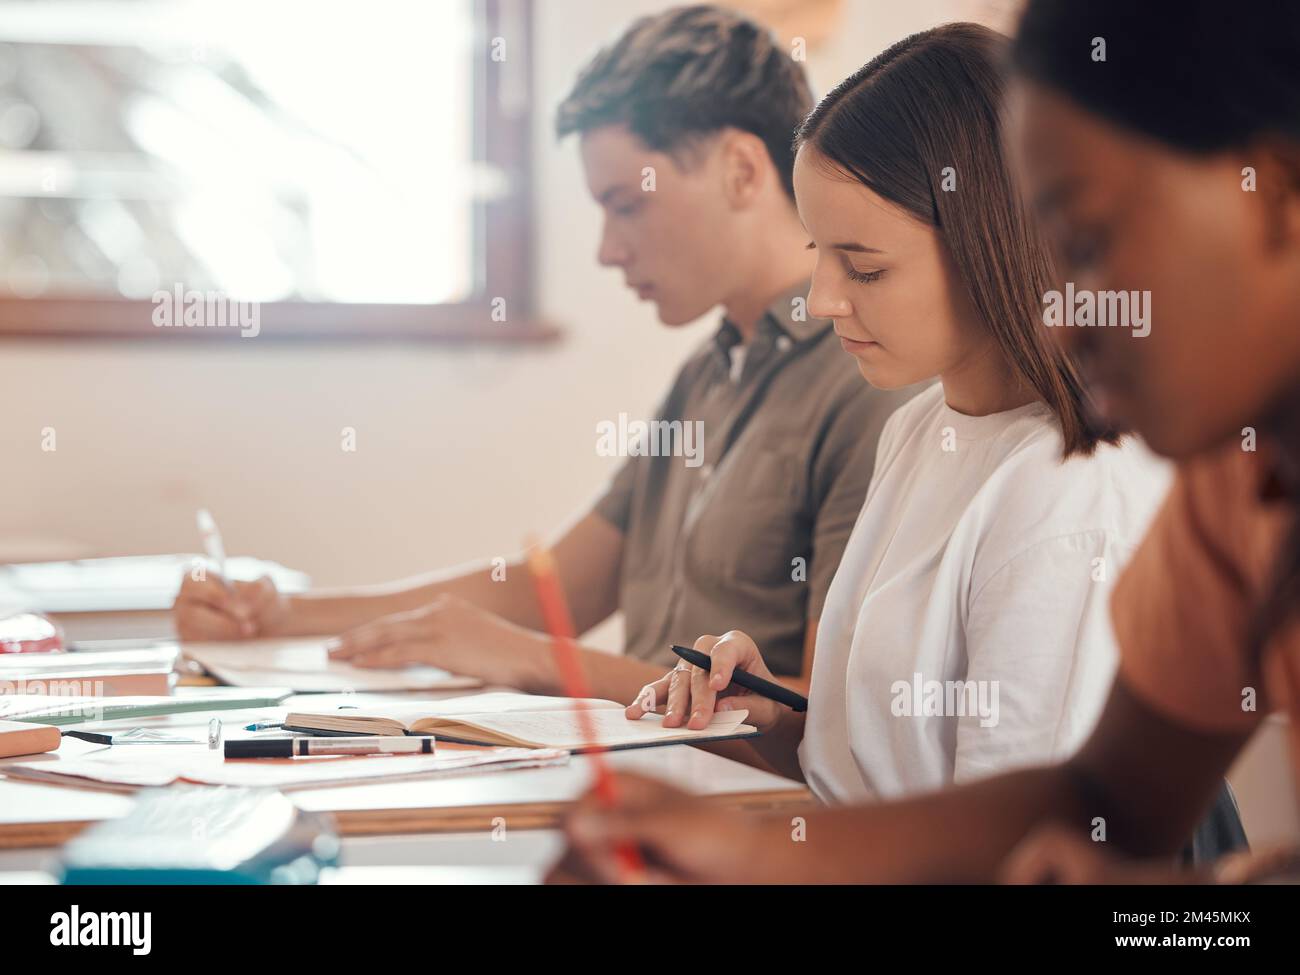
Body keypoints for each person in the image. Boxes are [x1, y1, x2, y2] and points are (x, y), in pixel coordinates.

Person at [550, 0, 1299, 885]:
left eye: (1090, 244)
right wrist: (749, 845)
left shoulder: (1074, 487)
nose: (1061, 312)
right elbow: (1101, 796)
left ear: (1276, 190)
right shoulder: (1230, 485)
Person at [171, 5, 918, 703]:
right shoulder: (712, 369)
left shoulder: (866, 382)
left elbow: (827, 717)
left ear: (742, 171)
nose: (607, 249)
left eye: (627, 203)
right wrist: (280, 615)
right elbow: (558, 590)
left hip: (738, 813)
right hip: (649, 777)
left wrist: (535, 660)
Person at [625, 22, 1171, 807]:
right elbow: (865, 777)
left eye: (866, 267)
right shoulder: (918, 428)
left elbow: (1006, 843)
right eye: (818, 252)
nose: (821, 301)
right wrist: (768, 713)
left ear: (992, 243)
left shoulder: (1065, 491)